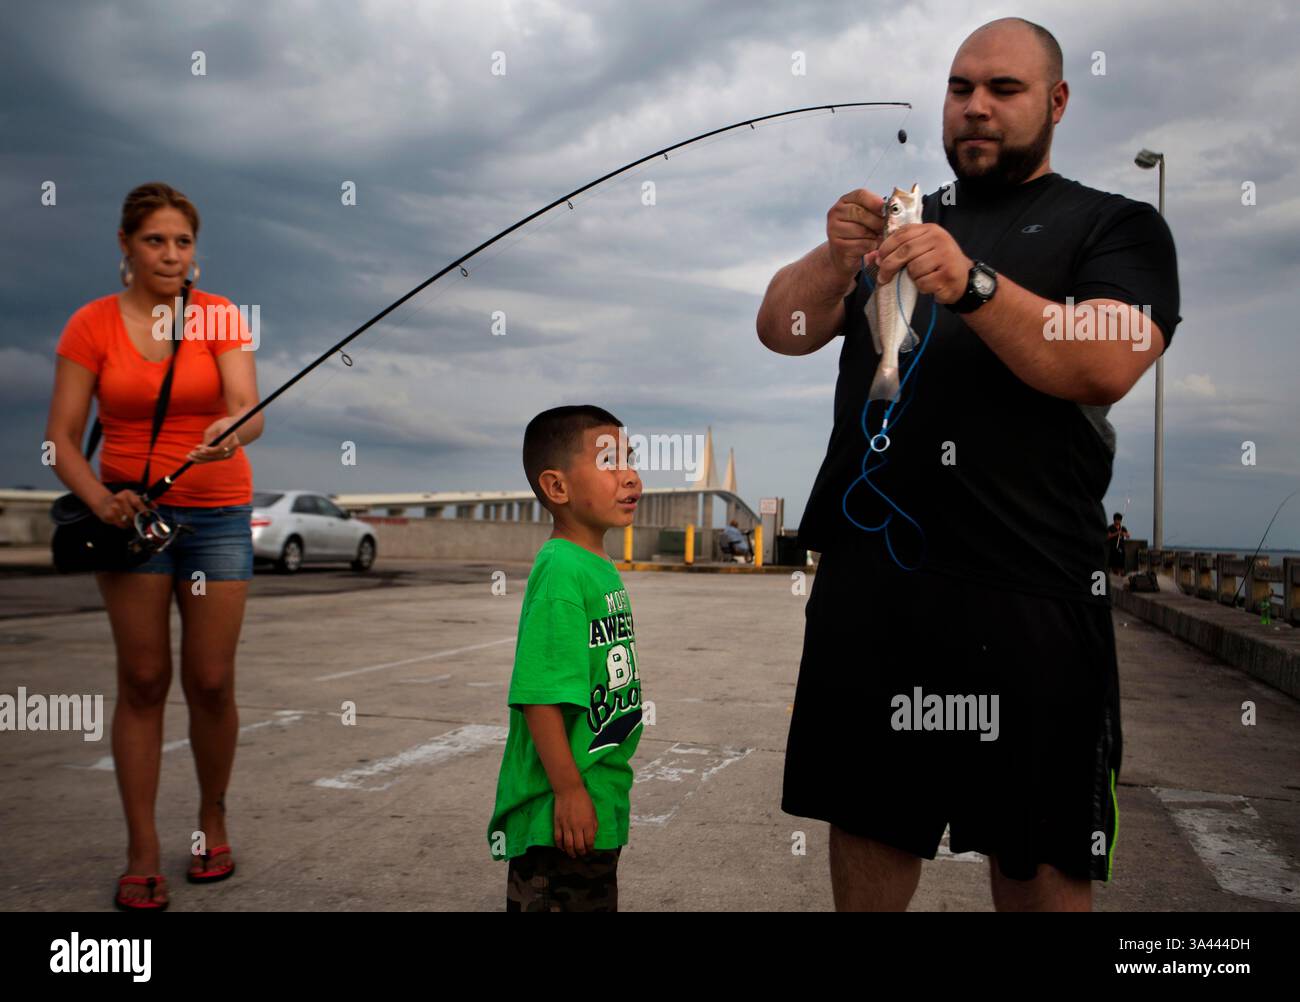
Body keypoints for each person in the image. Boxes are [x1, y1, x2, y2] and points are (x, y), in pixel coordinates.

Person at [757, 18, 1180, 911]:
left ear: (1057, 102)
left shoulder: (1115, 225)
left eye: (1004, 90)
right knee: (869, 821)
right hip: (875, 587)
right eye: (960, 88)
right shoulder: (905, 224)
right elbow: (782, 331)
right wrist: (834, 260)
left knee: (1039, 854)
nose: (976, 108)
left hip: (1030, 590)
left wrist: (973, 285)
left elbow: (1110, 355)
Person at [45, 182, 263, 910]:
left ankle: (211, 820)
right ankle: (140, 848)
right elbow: (62, 440)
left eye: (183, 241)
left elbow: (246, 411)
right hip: (129, 523)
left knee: (210, 681)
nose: (172, 255)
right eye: (156, 240)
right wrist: (102, 499)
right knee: (142, 681)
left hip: (220, 515)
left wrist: (226, 434)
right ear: (125, 246)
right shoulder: (91, 326)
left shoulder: (221, 317)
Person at [486, 405, 645, 911]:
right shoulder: (560, 571)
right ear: (557, 488)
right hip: (561, 815)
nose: (631, 476)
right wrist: (570, 791)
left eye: (631, 459)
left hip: (599, 797)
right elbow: (539, 695)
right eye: (610, 462)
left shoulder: (596, 564)